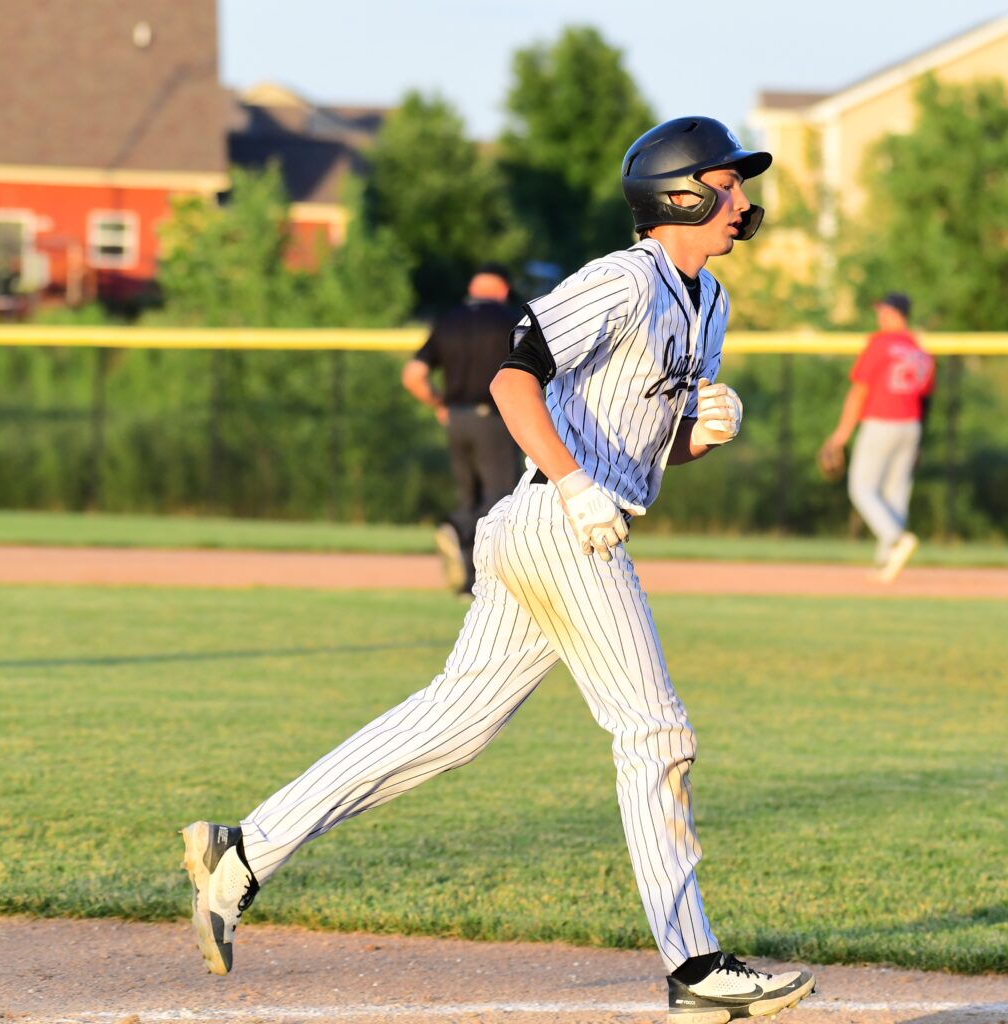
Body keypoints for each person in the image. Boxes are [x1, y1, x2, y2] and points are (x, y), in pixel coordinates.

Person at [181, 115, 815, 1024]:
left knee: (451, 725)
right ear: (680, 194)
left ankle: (246, 850)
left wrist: (699, 439)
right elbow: (513, 372)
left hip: (553, 523)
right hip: (559, 522)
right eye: (728, 183)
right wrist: (571, 482)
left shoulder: (706, 302)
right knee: (654, 732)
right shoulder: (624, 278)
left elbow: (654, 444)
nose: (744, 201)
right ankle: (696, 966)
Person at [403, 264, 523, 595]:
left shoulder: (449, 320)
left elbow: (413, 376)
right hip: (493, 419)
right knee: (498, 499)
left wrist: (439, 405)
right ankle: (457, 527)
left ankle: (469, 583)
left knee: (469, 496)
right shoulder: (511, 320)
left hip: (455, 418)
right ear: (503, 290)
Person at [818, 291, 935, 582]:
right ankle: (887, 562)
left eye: (885, 311)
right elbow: (926, 400)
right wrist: (920, 440)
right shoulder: (919, 349)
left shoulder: (880, 343)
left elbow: (859, 391)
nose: (880, 316)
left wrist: (840, 436)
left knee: (862, 489)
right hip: (912, 425)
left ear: (899, 314)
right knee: (896, 493)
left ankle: (896, 539)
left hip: (881, 422)